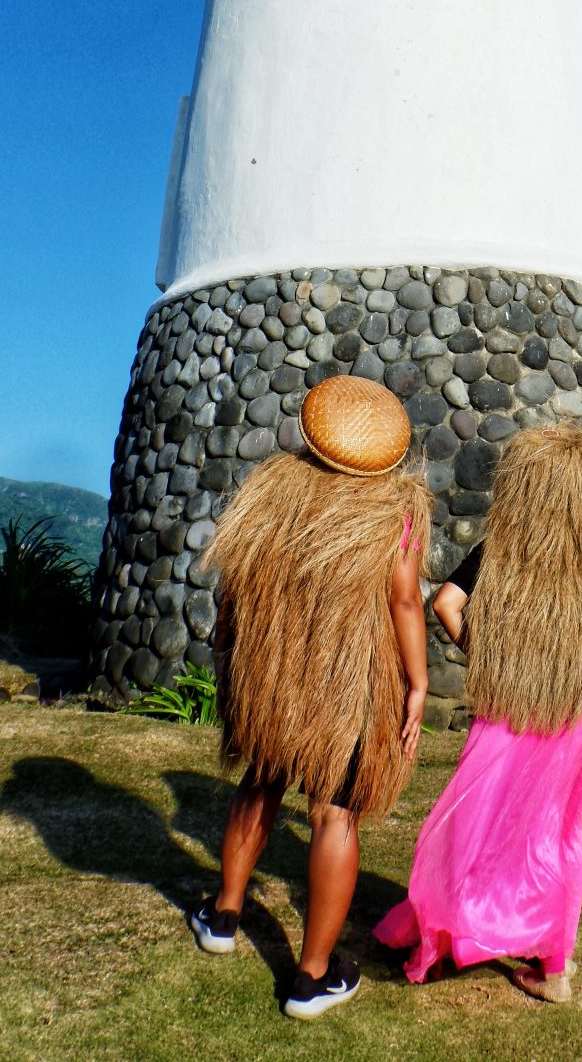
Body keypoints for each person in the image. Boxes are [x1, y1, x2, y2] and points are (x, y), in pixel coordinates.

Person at [375, 421, 582, 1003]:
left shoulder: (500, 551)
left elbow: (446, 603)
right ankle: (552, 963)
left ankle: (457, 929)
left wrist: (484, 654)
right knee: (555, 829)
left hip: (515, 693)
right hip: (575, 699)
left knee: (477, 820)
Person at [188, 376, 431, 1020]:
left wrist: (232, 651)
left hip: (275, 671)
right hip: (347, 681)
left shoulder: (273, 487)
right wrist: (418, 682)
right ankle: (312, 976)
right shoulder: (396, 509)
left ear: (316, 435)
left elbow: (235, 582)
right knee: (334, 813)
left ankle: (223, 915)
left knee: (261, 780)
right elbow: (405, 600)